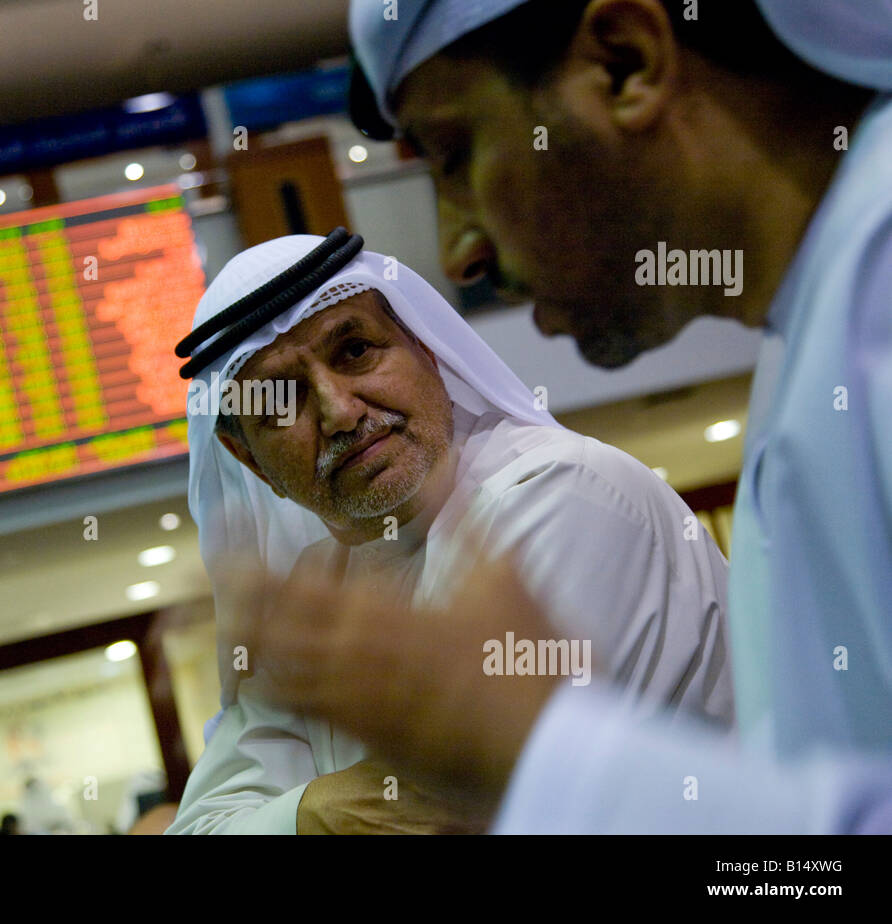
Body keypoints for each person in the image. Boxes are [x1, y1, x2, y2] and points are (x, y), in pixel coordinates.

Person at [234, 0, 892, 832]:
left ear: (625, 65)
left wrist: (544, 758)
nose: (458, 250)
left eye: (457, 154)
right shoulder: (820, 325)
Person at [166, 228, 734, 834]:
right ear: (250, 459)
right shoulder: (312, 588)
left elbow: (461, 809)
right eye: (281, 403)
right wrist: (318, 813)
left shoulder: (559, 491)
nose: (340, 410)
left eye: (355, 351)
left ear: (428, 349)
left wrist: (303, 815)